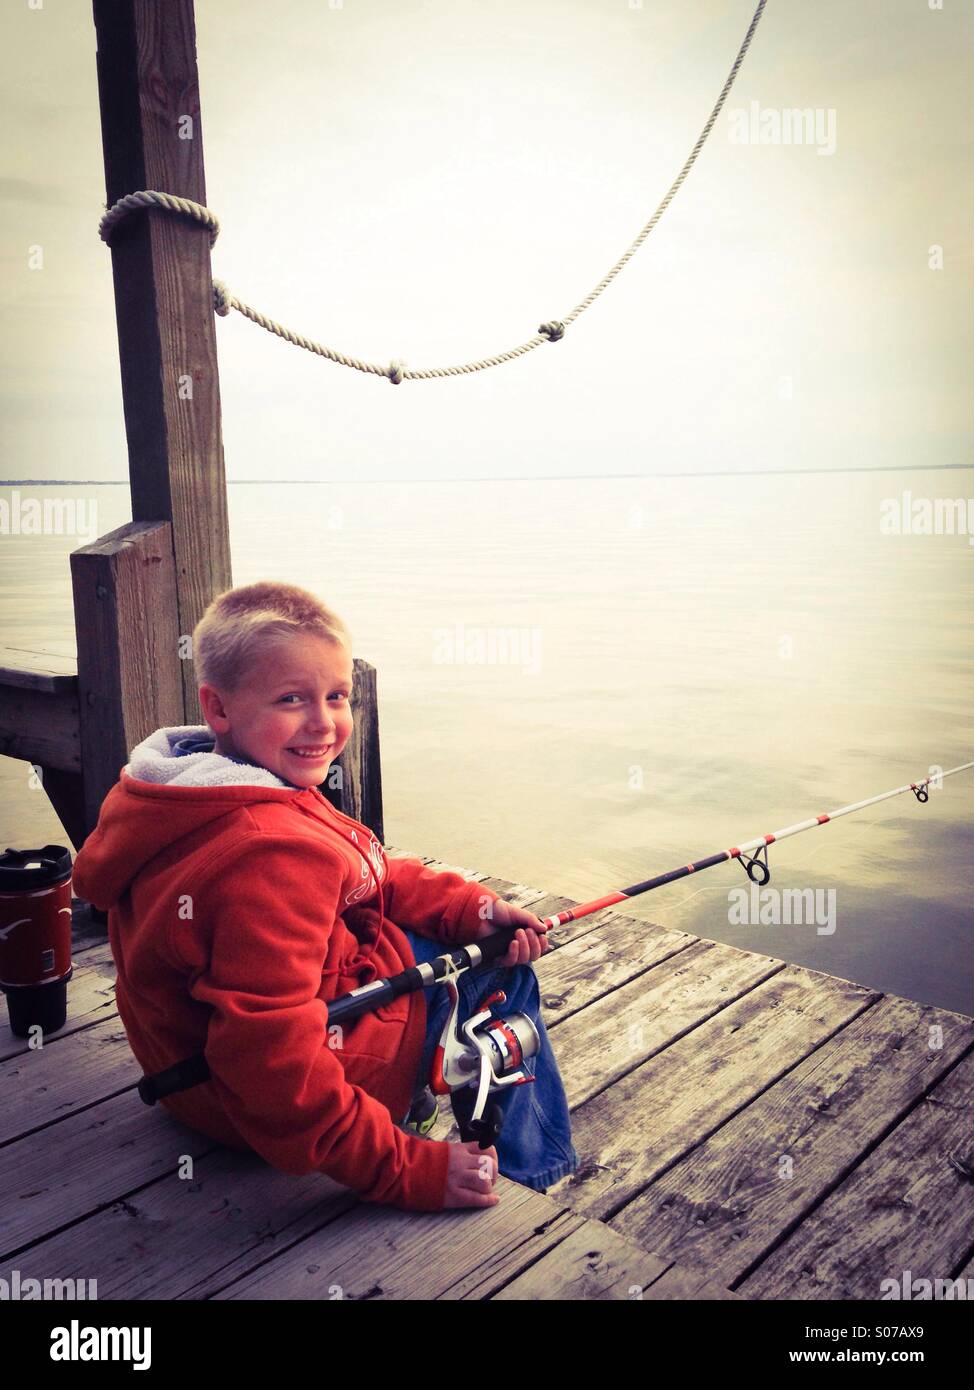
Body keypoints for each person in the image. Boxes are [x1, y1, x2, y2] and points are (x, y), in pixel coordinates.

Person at [71, 580, 579, 1212]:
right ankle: (535, 1177)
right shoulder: (268, 851)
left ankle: (441, 1109)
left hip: (184, 1078)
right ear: (219, 707)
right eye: (292, 699)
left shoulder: (186, 787)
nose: (324, 723)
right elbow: (269, 1060)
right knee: (507, 973)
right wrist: (406, 1172)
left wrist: (470, 910)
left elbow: (367, 872)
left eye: (337, 696)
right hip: (249, 1104)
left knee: (484, 937)